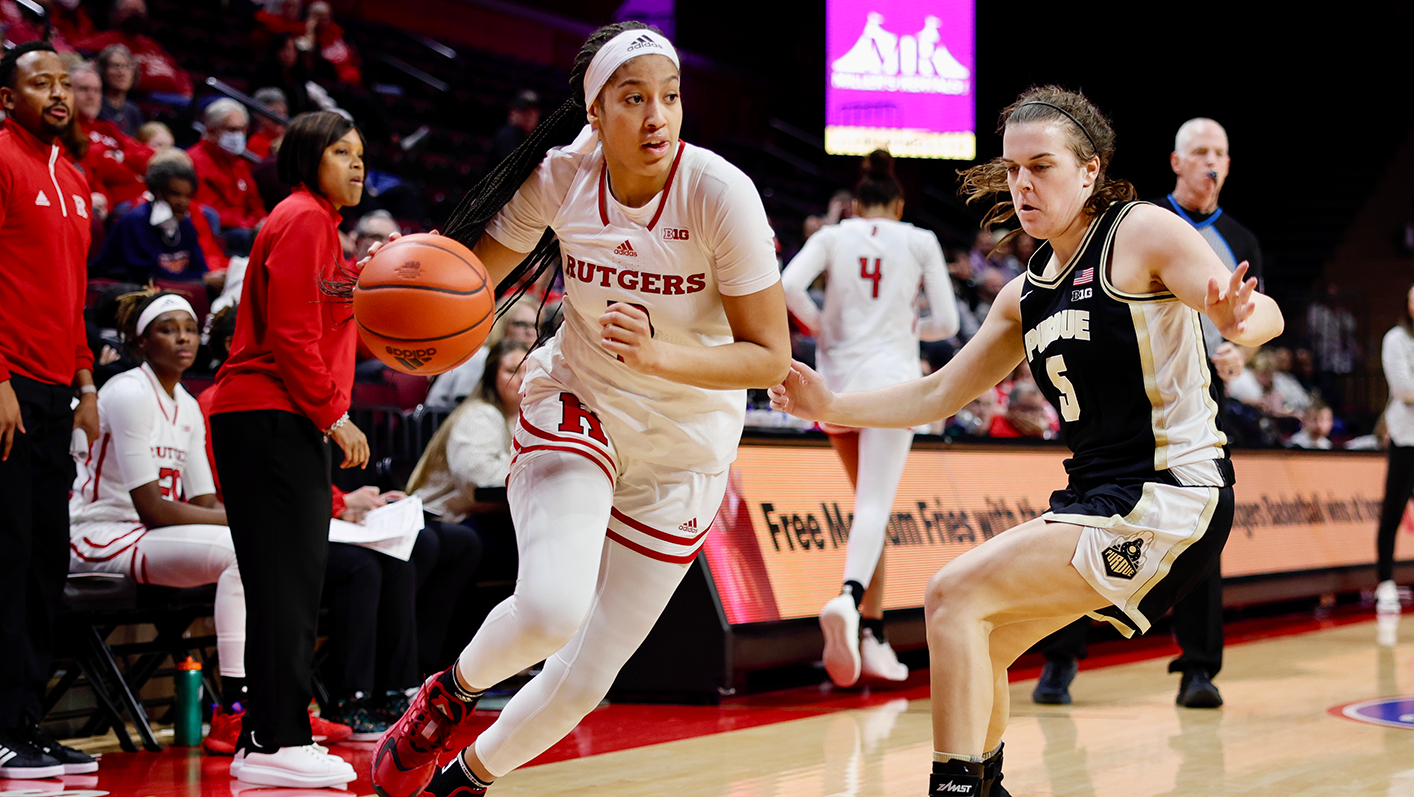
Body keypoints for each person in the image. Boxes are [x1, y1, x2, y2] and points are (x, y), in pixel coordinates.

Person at [768, 86, 1282, 795]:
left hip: (1171, 494)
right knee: (981, 635)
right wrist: (830, 400)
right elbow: (936, 392)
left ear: (1089, 171)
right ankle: (986, 784)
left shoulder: (1142, 232)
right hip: (1097, 497)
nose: (1022, 184)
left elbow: (1259, 313)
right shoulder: (1025, 292)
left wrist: (1239, 315)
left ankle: (955, 790)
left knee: (950, 594)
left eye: (1040, 166)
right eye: (1012, 169)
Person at [369, 22, 788, 797]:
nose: (657, 116)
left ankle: (464, 779)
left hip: (684, 447)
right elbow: (466, 281)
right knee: (552, 607)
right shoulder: (563, 177)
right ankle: (447, 694)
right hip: (580, 404)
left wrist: (665, 355)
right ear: (595, 112)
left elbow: (769, 355)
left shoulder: (720, 192)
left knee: (589, 672)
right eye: (634, 99)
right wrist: (404, 278)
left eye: (670, 97)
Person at [1030, 115, 1267, 708]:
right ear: (1176, 162)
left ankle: (1198, 668)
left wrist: (1240, 342)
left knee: (1198, 532)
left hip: (1193, 401)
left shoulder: (1240, 238)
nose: (1212, 161)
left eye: (1221, 152)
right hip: (1118, 402)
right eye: (1201, 151)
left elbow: (1258, 313)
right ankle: (1059, 662)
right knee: (1074, 533)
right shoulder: (1138, 222)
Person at [206, 111, 368, 789]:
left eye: (362, 153)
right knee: (286, 585)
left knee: (288, 584)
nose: (357, 163)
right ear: (307, 158)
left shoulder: (319, 226)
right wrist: (337, 416)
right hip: (273, 413)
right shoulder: (302, 218)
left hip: (276, 417)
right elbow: (296, 334)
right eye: (341, 151)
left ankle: (265, 736)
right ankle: (278, 735)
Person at [780, 149, 958, 688]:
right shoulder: (921, 239)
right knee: (875, 507)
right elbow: (947, 321)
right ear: (899, 204)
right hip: (892, 384)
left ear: (856, 204)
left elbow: (787, 285)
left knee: (866, 508)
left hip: (835, 387)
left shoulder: (834, 237)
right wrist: (911, 330)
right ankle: (851, 601)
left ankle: (872, 635)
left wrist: (821, 328)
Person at [66, 290, 247, 734]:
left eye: (188, 329)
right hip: (98, 532)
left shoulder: (186, 403)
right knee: (241, 551)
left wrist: (256, 520)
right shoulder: (129, 392)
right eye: (168, 330)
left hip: (144, 536)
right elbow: (151, 508)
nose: (183, 339)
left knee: (263, 549)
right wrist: (248, 521)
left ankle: (272, 699)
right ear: (140, 342)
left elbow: (204, 501)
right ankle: (235, 708)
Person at [0, 41, 102, 780]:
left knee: (42, 563)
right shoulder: (2, 156)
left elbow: (73, 293)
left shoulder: (74, 176)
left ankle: (24, 724)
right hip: (6, 388)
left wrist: (87, 379)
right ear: (10, 97)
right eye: (41, 83)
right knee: (5, 562)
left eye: (65, 82)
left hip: (53, 392)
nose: (58, 93)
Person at [93, 152, 212, 286]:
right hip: (122, 288)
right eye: (175, 194)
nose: (183, 202)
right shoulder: (135, 221)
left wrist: (206, 278)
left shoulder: (185, 224)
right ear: (157, 192)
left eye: (187, 196)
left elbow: (200, 268)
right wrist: (201, 279)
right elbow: (146, 274)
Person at [1374, 284, 1414, 616]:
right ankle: (1385, 582)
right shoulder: (1395, 339)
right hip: (1405, 437)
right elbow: (1403, 389)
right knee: (1393, 510)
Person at [76, 0, 192, 107]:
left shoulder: (151, 44)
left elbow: (177, 70)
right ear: (115, 13)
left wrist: (187, 91)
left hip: (179, 98)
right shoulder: (105, 41)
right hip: (147, 99)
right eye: (129, 10)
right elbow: (79, 50)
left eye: (139, 11)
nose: (135, 15)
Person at [189, 99, 267, 253]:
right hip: (220, 233)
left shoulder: (238, 163)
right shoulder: (195, 161)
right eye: (232, 130)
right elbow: (209, 212)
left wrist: (260, 221)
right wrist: (248, 224)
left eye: (243, 130)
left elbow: (255, 203)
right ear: (211, 130)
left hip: (244, 228)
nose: (239, 136)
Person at [95, 43, 142, 135]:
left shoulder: (133, 110)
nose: (122, 72)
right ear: (103, 71)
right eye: (116, 66)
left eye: (127, 66)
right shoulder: (95, 104)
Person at [486, 89, 540, 169]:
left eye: (533, 112)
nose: (529, 116)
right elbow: (515, 166)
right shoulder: (506, 135)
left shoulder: (534, 138)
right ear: (513, 113)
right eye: (525, 111)